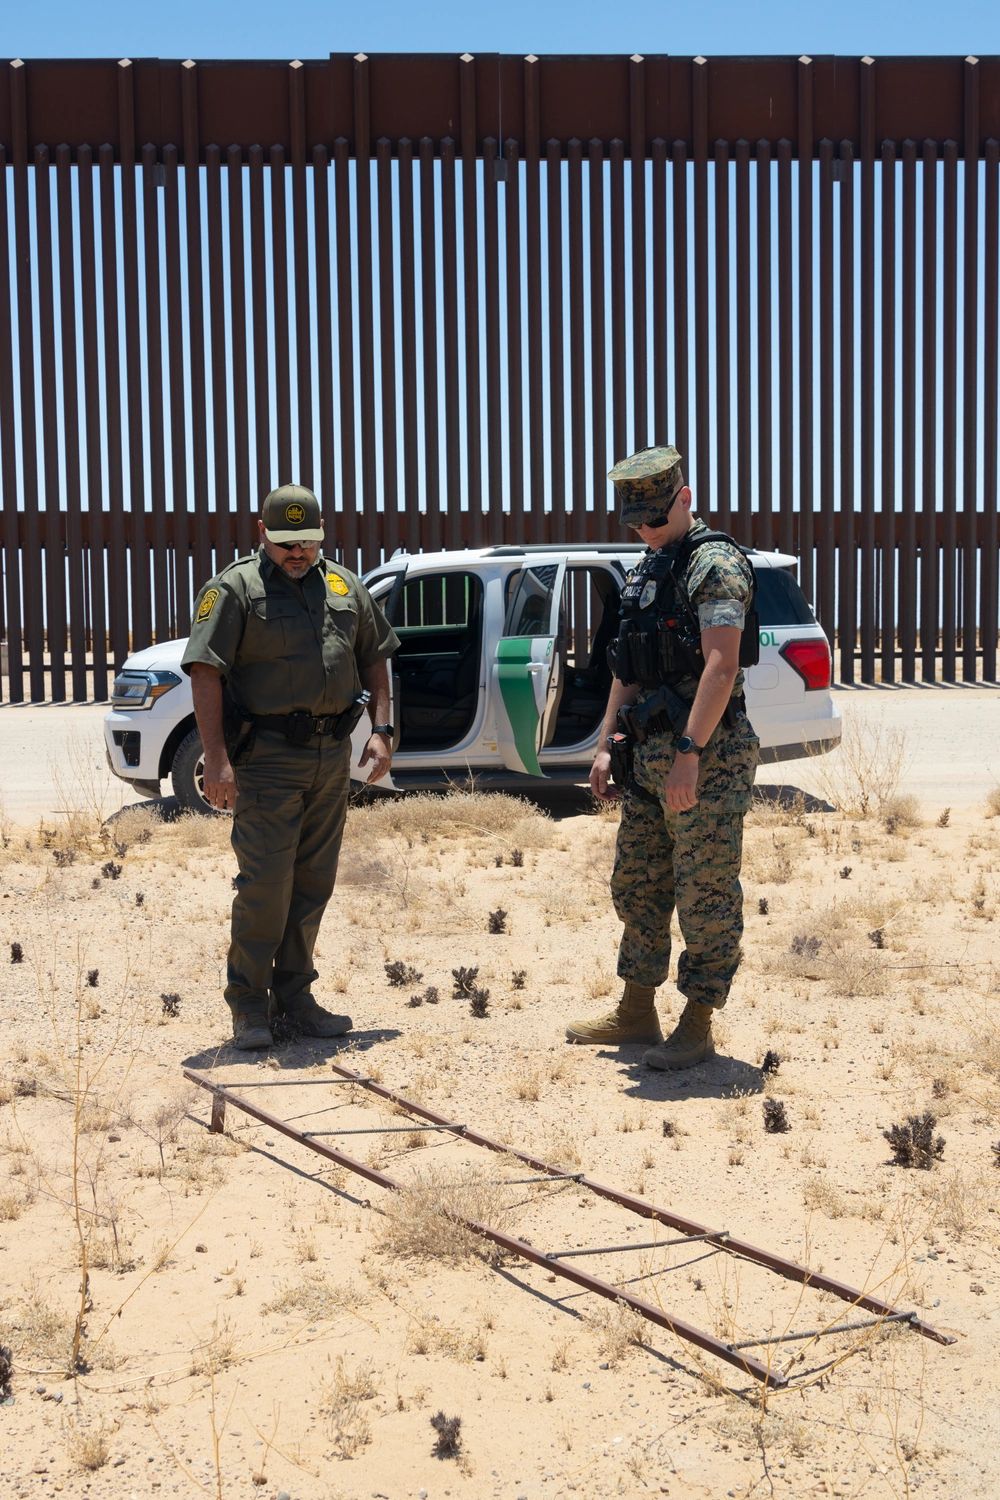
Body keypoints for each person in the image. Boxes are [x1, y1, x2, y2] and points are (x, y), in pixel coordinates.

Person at [181, 485, 399, 1050]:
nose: (297, 552)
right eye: (284, 543)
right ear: (262, 533)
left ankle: (296, 998)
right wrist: (218, 760)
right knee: (267, 885)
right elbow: (205, 672)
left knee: (313, 884)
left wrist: (381, 730)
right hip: (268, 758)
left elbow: (374, 656)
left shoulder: (343, 585)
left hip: (331, 757)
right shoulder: (235, 588)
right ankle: (250, 1007)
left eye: (306, 541)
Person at [566, 447, 759, 1070]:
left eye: (655, 514)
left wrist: (688, 753)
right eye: (636, 519)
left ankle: (698, 1022)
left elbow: (721, 665)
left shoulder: (714, 563)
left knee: (703, 890)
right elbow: (627, 666)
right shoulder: (650, 568)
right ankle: (636, 1010)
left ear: (684, 497)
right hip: (646, 753)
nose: (646, 528)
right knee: (638, 883)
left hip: (705, 756)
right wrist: (602, 744)